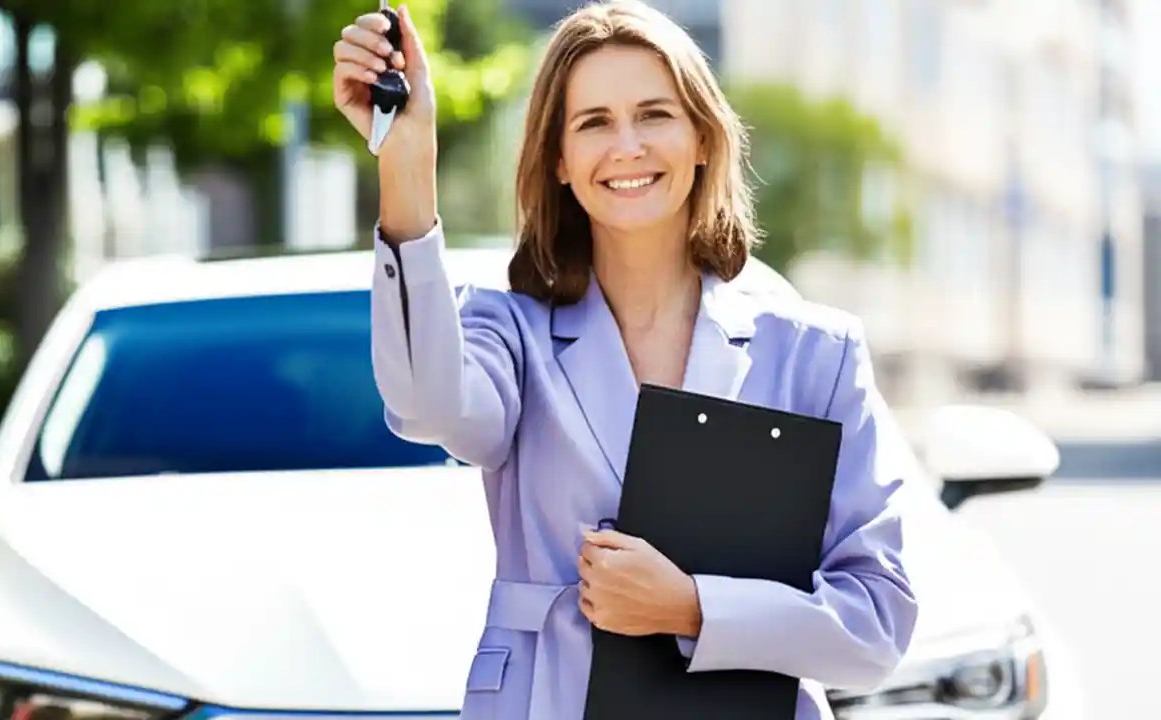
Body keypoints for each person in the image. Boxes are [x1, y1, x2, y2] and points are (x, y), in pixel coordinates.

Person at [332, 1, 917, 718]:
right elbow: (427, 408)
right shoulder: (509, 334)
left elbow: (876, 625)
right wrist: (407, 163)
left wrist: (693, 608)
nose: (627, 146)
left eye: (654, 115)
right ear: (558, 160)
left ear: (702, 138)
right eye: (594, 123)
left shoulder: (815, 356)